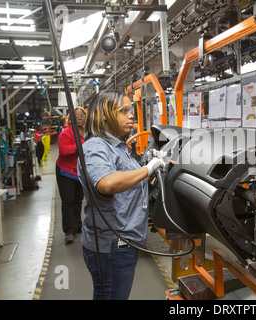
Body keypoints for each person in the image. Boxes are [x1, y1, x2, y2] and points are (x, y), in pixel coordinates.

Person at [77, 89, 165, 300]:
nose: (131, 115)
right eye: (124, 110)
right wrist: (146, 169)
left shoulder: (118, 146)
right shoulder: (96, 146)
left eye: (131, 110)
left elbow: (127, 182)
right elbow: (107, 183)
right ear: (105, 116)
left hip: (124, 241)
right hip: (112, 245)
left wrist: (150, 173)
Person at [56, 106, 86, 245]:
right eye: (77, 115)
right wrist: (77, 147)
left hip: (79, 171)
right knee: (68, 200)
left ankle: (78, 226)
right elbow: (63, 150)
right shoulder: (67, 132)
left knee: (78, 200)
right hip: (66, 171)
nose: (79, 118)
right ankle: (69, 231)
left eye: (82, 115)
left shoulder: (86, 132)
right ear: (71, 118)